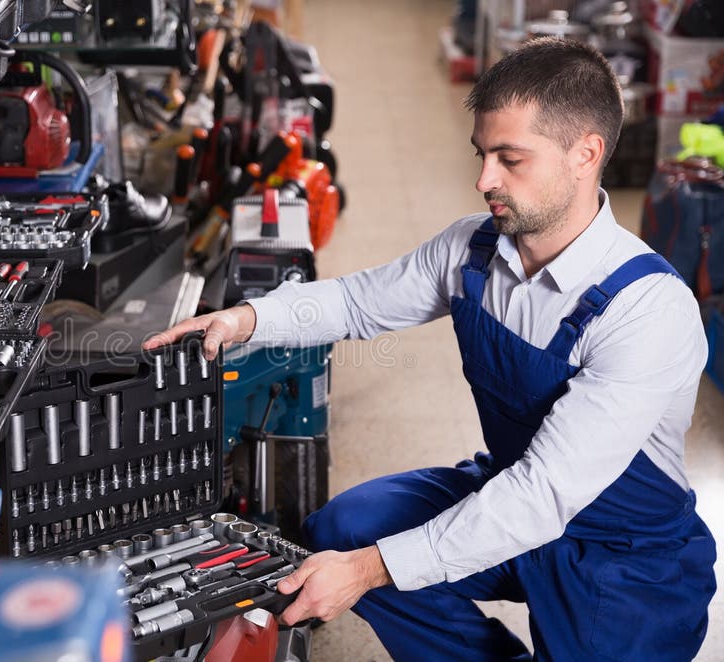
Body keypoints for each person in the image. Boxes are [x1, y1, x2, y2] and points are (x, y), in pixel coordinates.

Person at [142, 37, 717, 660]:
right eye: (481, 153)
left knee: (369, 560)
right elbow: (359, 301)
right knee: (347, 531)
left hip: (622, 558)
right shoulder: (472, 249)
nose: (482, 179)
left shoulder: (647, 310)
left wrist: (368, 571)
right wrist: (247, 317)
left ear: (586, 154)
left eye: (509, 159)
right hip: (510, 492)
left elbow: (545, 492)